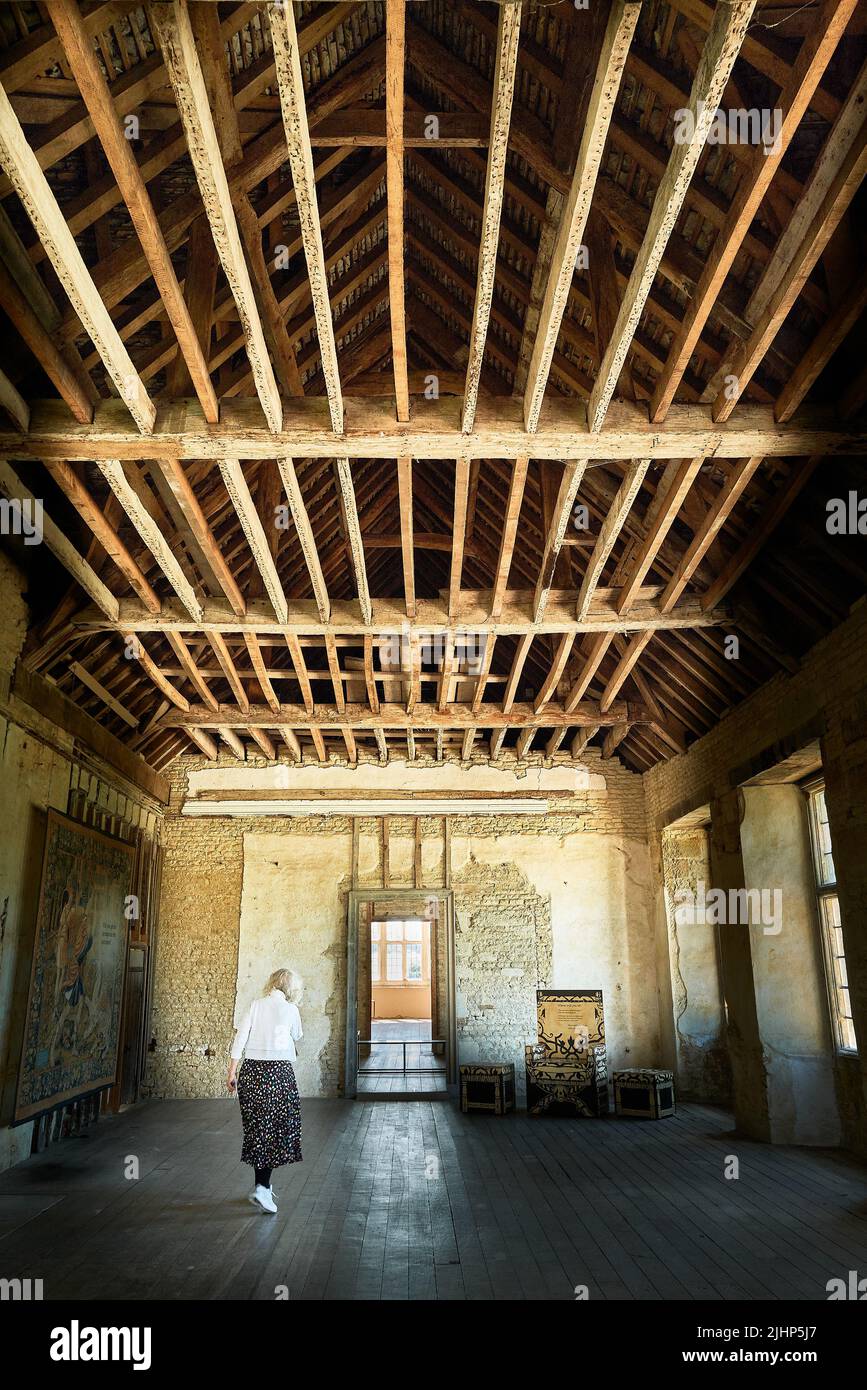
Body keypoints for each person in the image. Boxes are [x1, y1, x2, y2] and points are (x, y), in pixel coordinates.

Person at [227, 968, 303, 1214]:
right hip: (279, 1073)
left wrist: (231, 1072)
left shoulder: (256, 1005)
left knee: (258, 1128)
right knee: (276, 1128)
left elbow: (240, 1038)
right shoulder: (292, 1010)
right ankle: (262, 1187)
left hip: (252, 1073)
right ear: (291, 988)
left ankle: (263, 1185)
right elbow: (297, 1035)